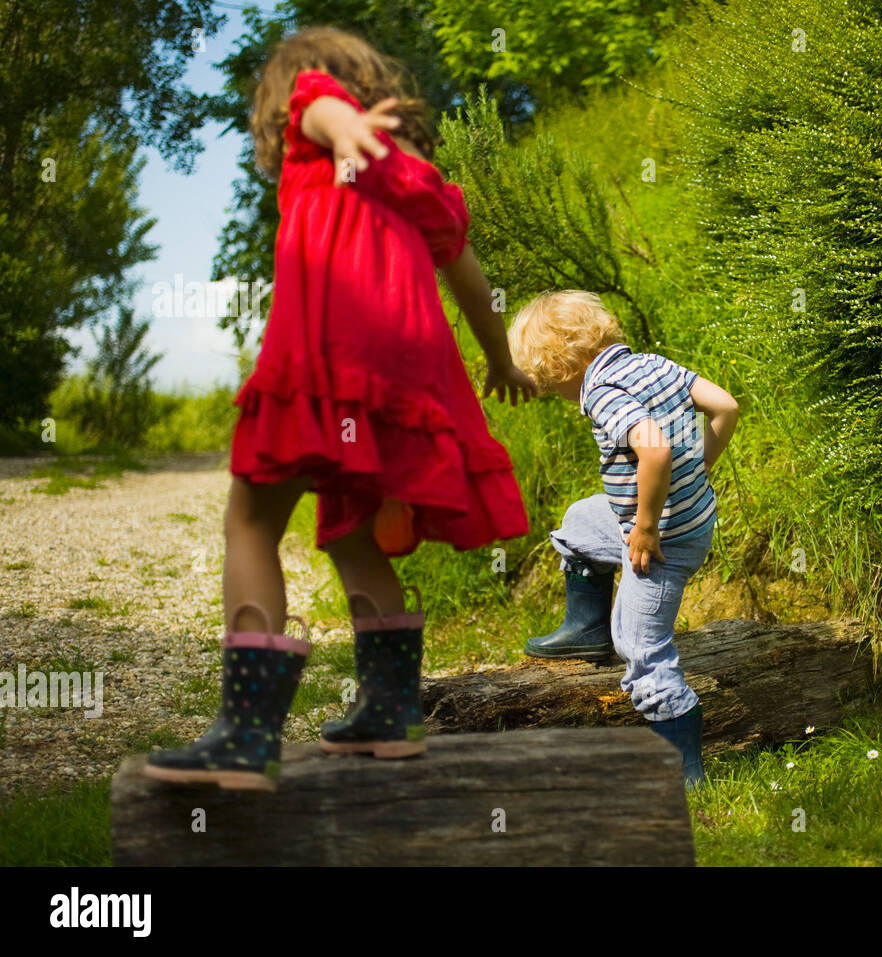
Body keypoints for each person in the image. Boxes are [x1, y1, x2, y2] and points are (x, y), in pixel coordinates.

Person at [144, 27, 536, 791]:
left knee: (252, 520)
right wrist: (499, 359)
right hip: (410, 369)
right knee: (354, 531)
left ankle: (244, 736)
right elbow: (465, 268)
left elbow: (315, 102)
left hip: (330, 350)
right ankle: (391, 716)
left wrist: (340, 126)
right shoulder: (415, 174)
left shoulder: (314, 127)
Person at [508, 291, 740, 788]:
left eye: (549, 383)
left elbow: (653, 449)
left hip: (660, 541)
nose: (553, 392)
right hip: (674, 519)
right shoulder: (650, 364)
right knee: (578, 521)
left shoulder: (603, 392)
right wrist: (695, 470)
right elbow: (725, 406)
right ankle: (586, 631)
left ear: (558, 364)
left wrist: (649, 525)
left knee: (641, 648)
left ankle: (684, 776)